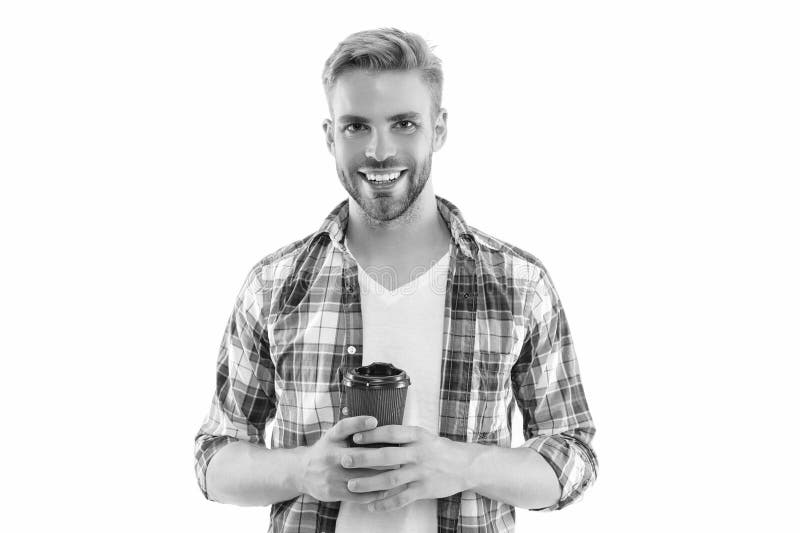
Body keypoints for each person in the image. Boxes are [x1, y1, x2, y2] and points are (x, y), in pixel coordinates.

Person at [194, 27, 598, 533]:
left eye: (404, 123)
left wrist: (459, 464)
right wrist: (302, 469)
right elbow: (214, 459)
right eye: (355, 127)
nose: (379, 151)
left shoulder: (519, 284)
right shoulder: (274, 286)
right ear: (329, 136)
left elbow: (572, 458)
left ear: (440, 128)